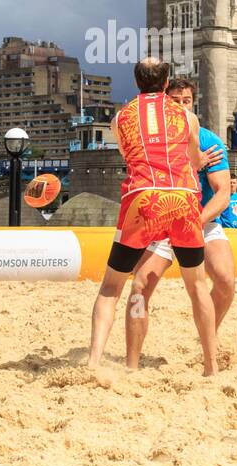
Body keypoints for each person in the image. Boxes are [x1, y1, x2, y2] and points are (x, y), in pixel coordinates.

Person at [86, 58, 218, 376]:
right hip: (183, 198)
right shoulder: (188, 117)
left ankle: (93, 363)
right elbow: (192, 160)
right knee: (197, 285)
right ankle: (211, 366)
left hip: (143, 198)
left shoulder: (120, 118)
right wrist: (199, 159)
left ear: (136, 81)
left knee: (111, 288)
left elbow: (128, 155)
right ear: (166, 82)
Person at [126, 78, 234, 371]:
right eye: (175, 101)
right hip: (161, 221)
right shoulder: (150, 140)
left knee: (224, 281)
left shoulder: (209, 139)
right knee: (139, 287)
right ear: (163, 102)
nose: (182, 106)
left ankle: (209, 338)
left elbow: (223, 194)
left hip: (200, 220)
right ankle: (132, 365)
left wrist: (193, 222)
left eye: (187, 101)